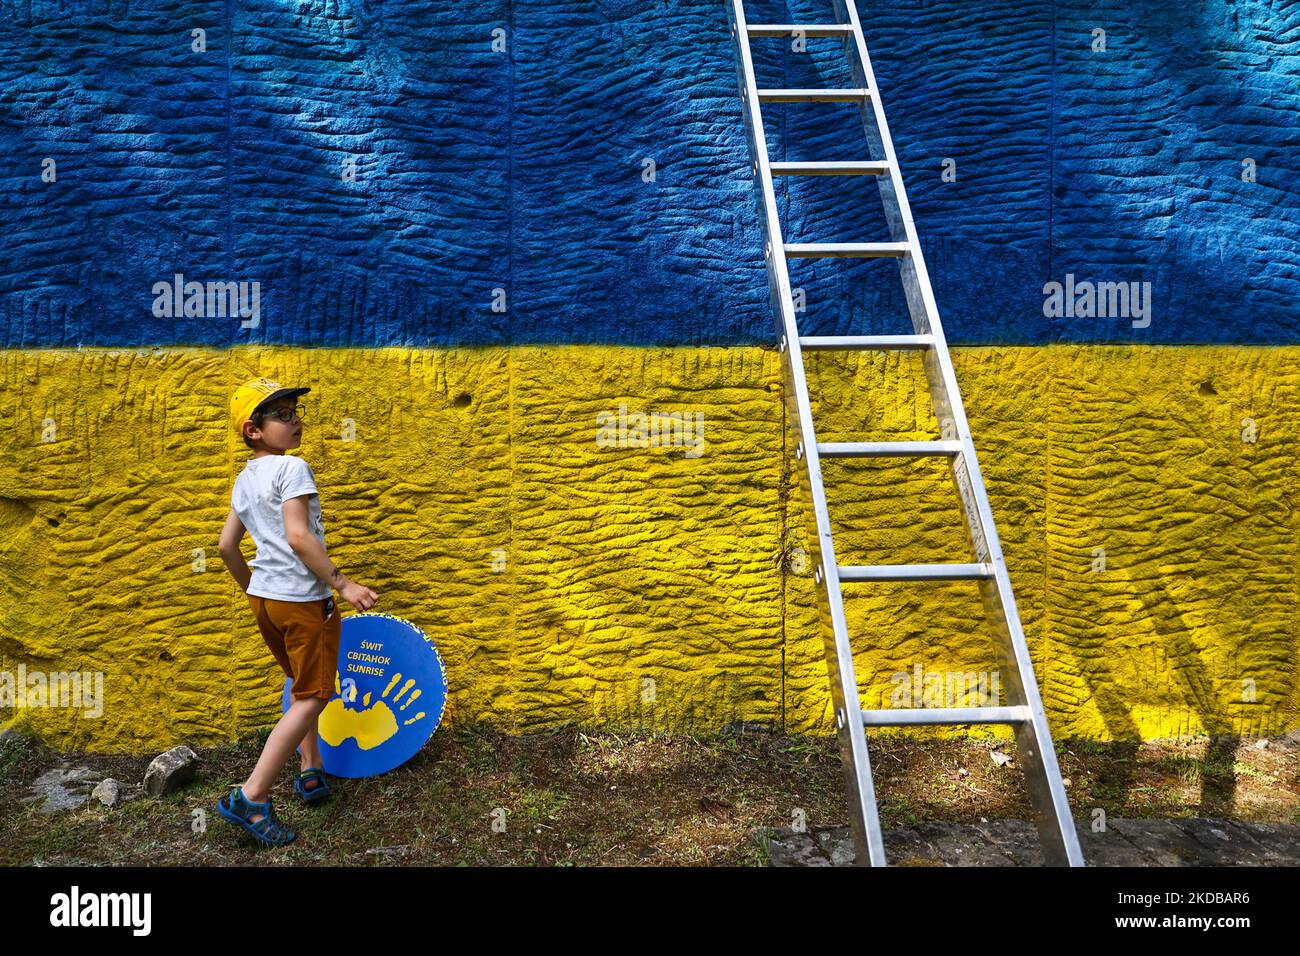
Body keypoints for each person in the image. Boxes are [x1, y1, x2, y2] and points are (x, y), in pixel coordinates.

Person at [215, 377, 379, 846]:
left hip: (266, 602)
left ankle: (311, 769)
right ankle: (252, 795)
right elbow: (299, 536)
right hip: (303, 602)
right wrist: (343, 584)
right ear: (253, 430)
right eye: (282, 415)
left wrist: (257, 591)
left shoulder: (245, 479)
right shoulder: (293, 468)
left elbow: (227, 547)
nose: (295, 421)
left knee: (297, 680)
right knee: (314, 695)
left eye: (295, 412)